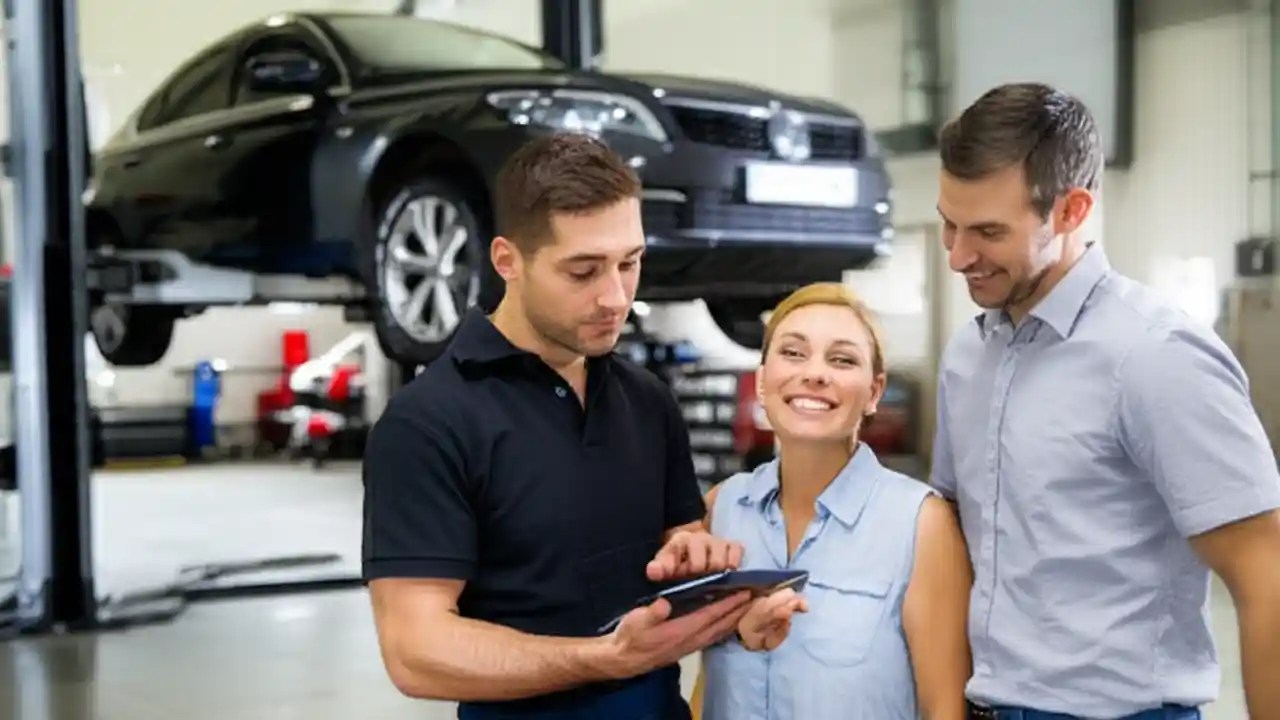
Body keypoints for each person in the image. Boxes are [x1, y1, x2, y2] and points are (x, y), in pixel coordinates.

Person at [361, 133, 755, 720]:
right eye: (583, 271)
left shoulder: (647, 400)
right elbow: (415, 651)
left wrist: (692, 552)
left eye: (631, 262)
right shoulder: (428, 422)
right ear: (507, 261)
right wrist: (606, 657)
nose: (616, 296)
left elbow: (677, 537)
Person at [931, 81, 1280, 720]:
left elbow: (1266, 573)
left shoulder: (1156, 356)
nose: (958, 256)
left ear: (1071, 210)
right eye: (947, 224)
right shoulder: (968, 355)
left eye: (986, 231)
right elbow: (951, 543)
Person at [694, 282, 973, 720]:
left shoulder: (920, 523)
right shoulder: (723, 508)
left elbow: (945, 708)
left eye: (842, 360)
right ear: (763, 380)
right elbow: (707, 684)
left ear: (874, 392)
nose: (815, 373)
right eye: (793, 353)